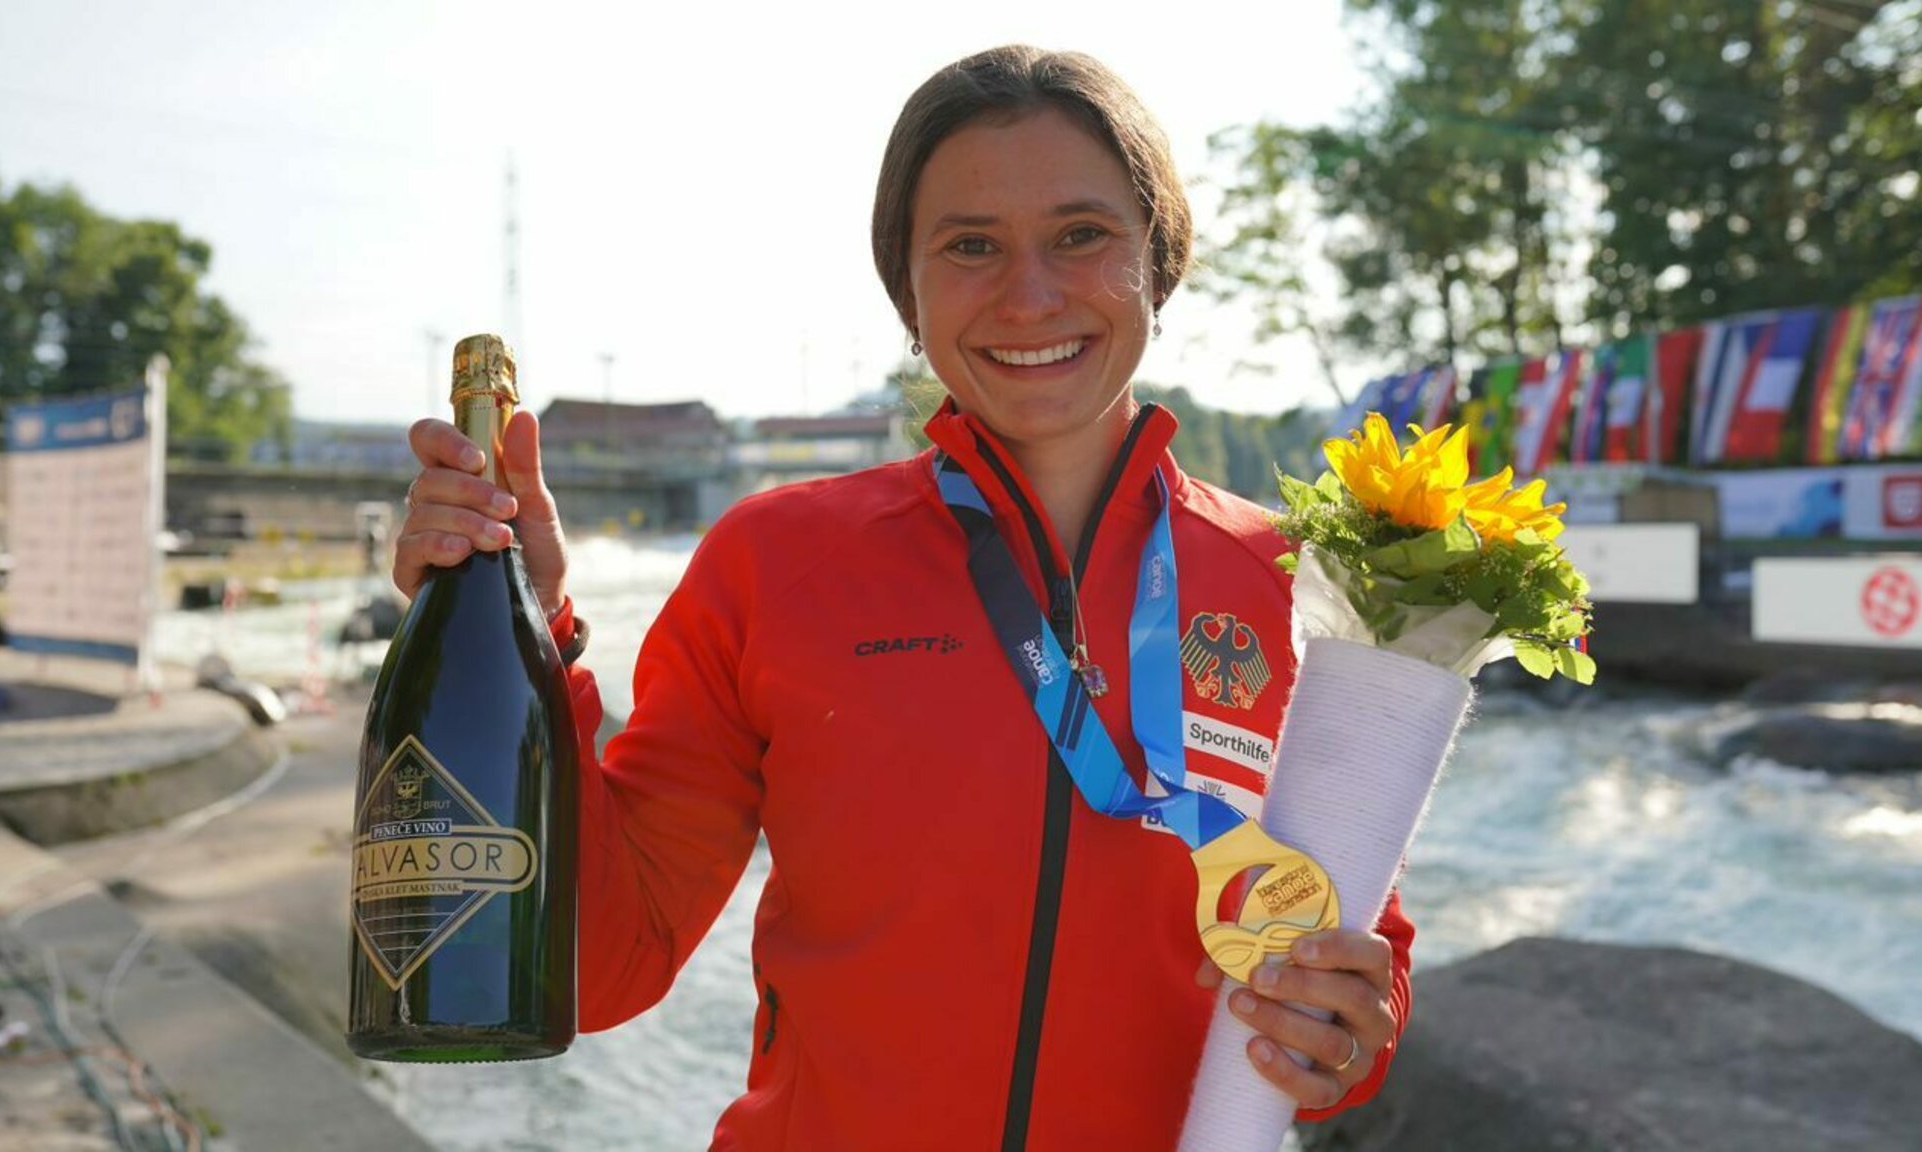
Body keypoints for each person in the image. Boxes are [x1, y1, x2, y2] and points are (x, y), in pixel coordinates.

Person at [394, 45, 1412, 1152]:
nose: (1029, 295)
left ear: (1157, 264)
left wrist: (1355, 1028)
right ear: (905, 292)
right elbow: (601, 969)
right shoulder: (775, 564)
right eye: (969, 246)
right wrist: (523, 641)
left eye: (1081, 236)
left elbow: (1348, 969)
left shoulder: (1295, 589)